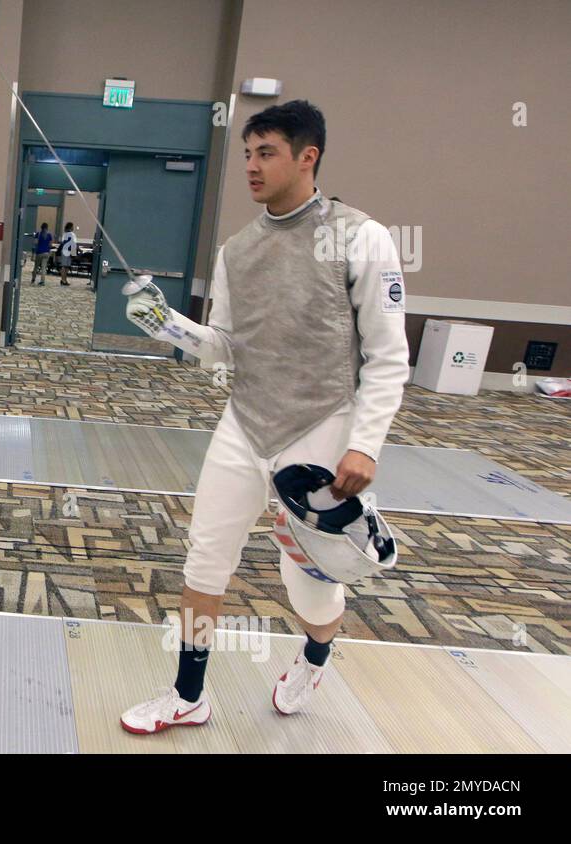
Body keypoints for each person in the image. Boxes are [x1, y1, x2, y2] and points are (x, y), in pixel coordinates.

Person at [118, 100, 409, 733]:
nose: (250, 166)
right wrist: (166, 324)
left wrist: (364, 445)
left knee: (310, 582)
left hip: (324, 426)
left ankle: (315, 656)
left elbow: (388, 357)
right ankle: (188, 694)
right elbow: (225, 345)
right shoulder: (237, 249)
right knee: (205, 556)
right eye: (247, 153)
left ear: (309, 157)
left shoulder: (361, 235)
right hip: (244, 421)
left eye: (266, 153)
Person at [57, 222, 77, 286]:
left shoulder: (65, 234)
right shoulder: (72, 234)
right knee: (67, 267)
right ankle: (64, 280)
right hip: (69, 251)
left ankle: (63, 280)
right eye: (72, 226)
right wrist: (74, 254)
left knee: (64, 266)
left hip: (64, 251)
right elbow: (74, 244)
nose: (73, 228)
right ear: (71, 227)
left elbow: (62, 243)